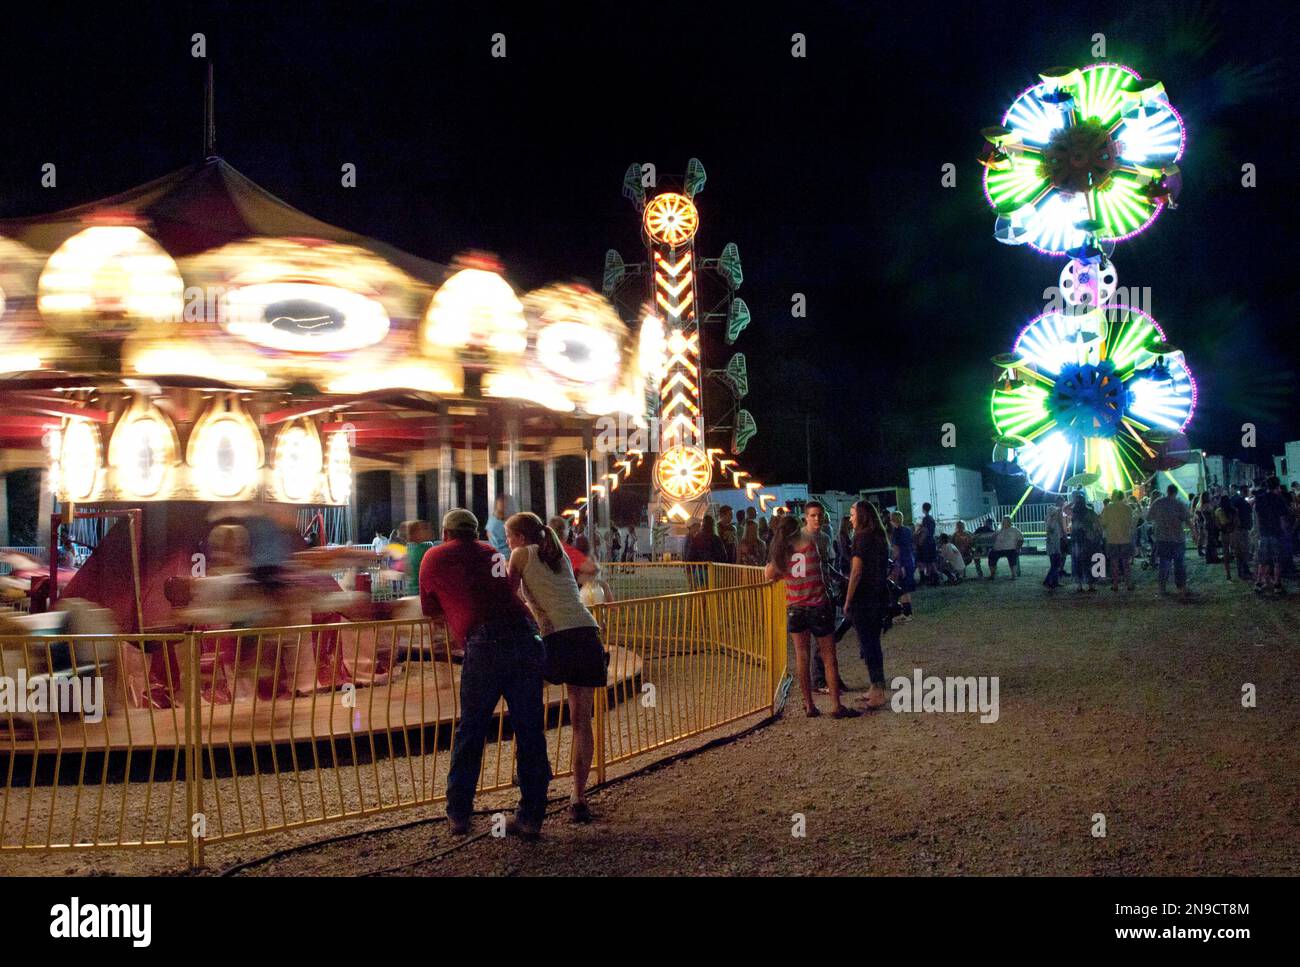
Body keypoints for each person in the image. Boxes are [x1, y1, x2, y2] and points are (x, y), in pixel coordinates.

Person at [421, 509, 551, 839]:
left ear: (446, 532)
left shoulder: (433, 557)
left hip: (485, 643)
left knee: (472, 728)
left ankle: (459, 813)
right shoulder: (491, 551)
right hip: (524, 637)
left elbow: (431, 609)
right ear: (476, 531)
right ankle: (532, 816)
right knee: (530, 729)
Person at [506, 512, 606, 823]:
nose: (507, 542)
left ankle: (530, 784)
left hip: (554, 637)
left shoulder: (519, 554)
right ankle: (578, 797)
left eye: (509, 537)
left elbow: (507, 595)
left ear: (520, 538)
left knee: (527, 711)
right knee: (581, 721)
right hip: (586, 633)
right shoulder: (558, 552)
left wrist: (529, 616)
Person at [765, 514, 858, 719]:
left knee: (801, 656)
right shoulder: (810, 544)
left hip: (795, 607)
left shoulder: (782, 552)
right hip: (818, 605)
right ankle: (836, 705)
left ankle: (809, 705)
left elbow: (769, 574)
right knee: (828, 657)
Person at [841, 500, 890, 711]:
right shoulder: (879, 536)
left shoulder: (861, 538)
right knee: (873, 642)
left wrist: (848, 599)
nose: (850, 518)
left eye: (852, 514)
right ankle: (875, 686)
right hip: (879, 594)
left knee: (868, 643)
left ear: (860, 515)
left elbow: (856, 571)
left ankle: (878, 691)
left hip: (864, 597)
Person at [1147, 484, 1192, 598]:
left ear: (1167, 491)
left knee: (1164, 564)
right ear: (1176, 492)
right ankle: (1181, 588)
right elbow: (1187, 520)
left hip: (1162, 538)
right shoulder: (1179, 504)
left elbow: (1149, 517)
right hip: (1177, 538)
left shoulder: (1158, 503)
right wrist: (1195, 534)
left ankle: (1162, 588)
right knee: (1179, 565)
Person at [1253, 476, 1290, 596]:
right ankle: (1277, 585)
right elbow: (1282, 519)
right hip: (1276, 533)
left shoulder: (1260, 499)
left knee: (1262, 560)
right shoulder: (1279, 499)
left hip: (1264, 533)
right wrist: (1286, 532)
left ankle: (1259, 583)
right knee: (1277, 560)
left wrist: (1258, 532)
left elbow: (1257, 516)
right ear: (1277, 485)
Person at [1099, 489, 1136, 592]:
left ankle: (1115, 584)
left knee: (1114, 563)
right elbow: (1130, 523)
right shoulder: (1127, 508)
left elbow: (1103, 524)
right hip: (1125, 538)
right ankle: (1129, 583)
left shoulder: (1108, 508)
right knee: (1126, 563)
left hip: (1112, 539)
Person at [1068, 493, 1100, 592]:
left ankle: (1079, 585)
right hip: (1089, 541)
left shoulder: (1074, 513)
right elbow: (1097, 524)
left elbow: (1065, 509)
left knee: (1078, 563)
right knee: (1090, 561)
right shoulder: (1090, 512)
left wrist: (1071, 502)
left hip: (1077, 541)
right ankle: (1091, 584)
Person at [888, 511, 916, 620]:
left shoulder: (897, 532)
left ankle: (906, 613)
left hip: (901, 563)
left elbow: (896, 550)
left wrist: (892, 561)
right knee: (906, 588)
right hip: (909, 561)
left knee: (902, 588)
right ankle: (908, 612)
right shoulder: (907, 530)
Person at [403, 520, 435, 596]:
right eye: (424, 528)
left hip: (413, 590)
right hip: (423, 591)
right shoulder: (426, 549)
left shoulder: (410, 550)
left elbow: (407, 571)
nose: (429, 531)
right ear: (416, 534)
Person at [1230, 485, 1254, 579]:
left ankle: (1242, 571)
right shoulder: (1241, 502)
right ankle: (1244, 572)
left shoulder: (1235, 500)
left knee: (1239, 552)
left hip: (1237, 529)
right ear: (1245, 491)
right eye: (1247, 491)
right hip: (1241, 529)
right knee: (1243, 551)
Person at [1214, 495, 1238, 582]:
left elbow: (1217, 524)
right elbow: (1236, 522)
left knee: (1226, 553)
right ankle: (1240, 570)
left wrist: (1222, 528)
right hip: (1233, 533)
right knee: (1236, 552)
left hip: (1223, 533)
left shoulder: (1218, 511)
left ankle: (1228, 574)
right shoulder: (1234, 510)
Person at [1043, 499, 1065, 590]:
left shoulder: (1051, 521)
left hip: (1054, 544)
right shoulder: (1052, 522)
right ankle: (1049, 581)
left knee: (1055, 564)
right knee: (1056, 563)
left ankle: (1053, 581)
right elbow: (1051, 533)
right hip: (1054, 545)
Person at [916, 502, 938, 586]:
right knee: (931, 561)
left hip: (926, 543)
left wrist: (920, 541)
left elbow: (925, 531)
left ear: (923, 509)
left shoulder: (925, 519)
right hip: (931, 542)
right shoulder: (931, 518)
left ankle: (924, 580)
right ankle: (934, 579)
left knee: (922, 561)